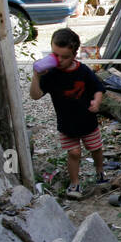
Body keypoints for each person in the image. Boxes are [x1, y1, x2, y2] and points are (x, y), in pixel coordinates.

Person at [30, 27, 105, 197]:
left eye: (65, 57)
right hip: (66, 123)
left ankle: (100, 172)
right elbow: (35, 96)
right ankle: (74, 183)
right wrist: (36, 76)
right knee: (74, 153)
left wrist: (97, 101)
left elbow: (98, 87)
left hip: (88, 121)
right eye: (55, 55)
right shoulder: (50, 74)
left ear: (74, 55)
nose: (60, 60)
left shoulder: (83, 71)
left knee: (95, 148)